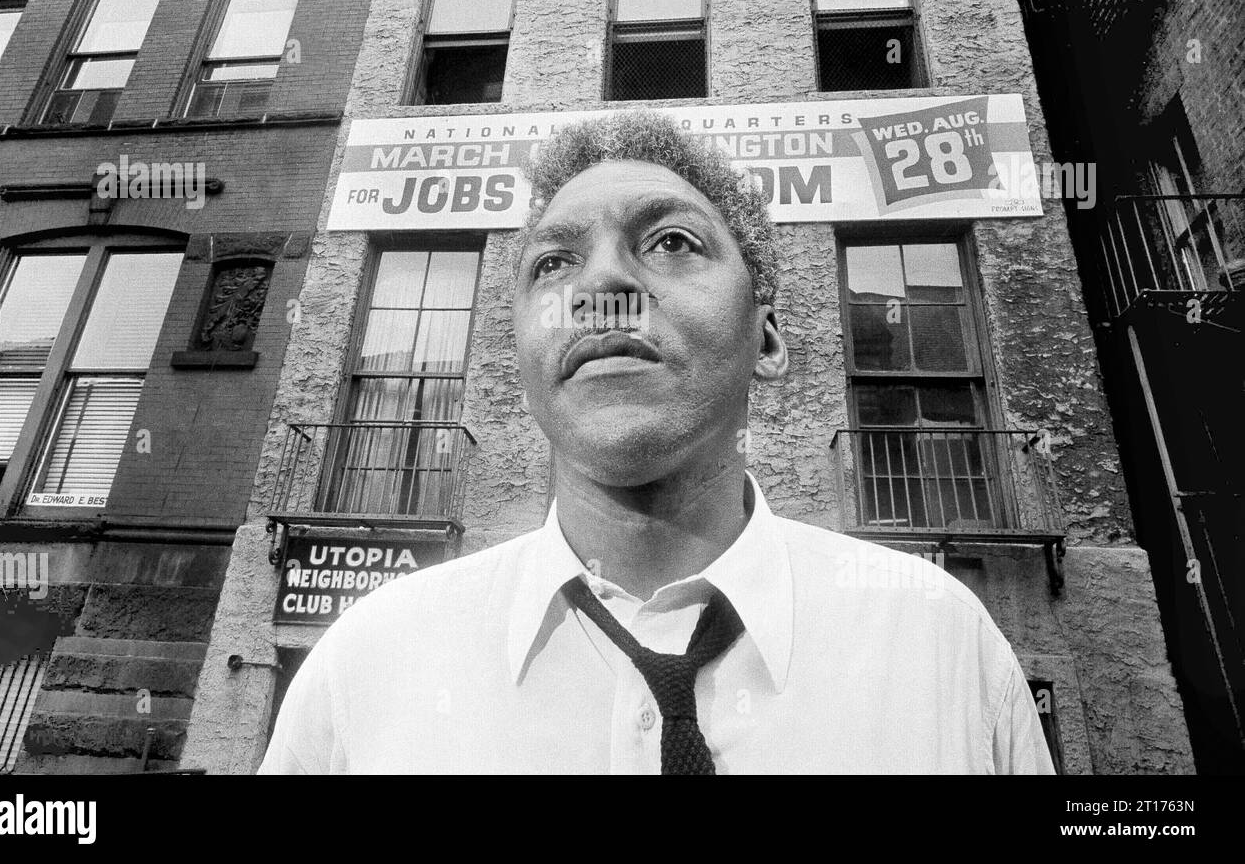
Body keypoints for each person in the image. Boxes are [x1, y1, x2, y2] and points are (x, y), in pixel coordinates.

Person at [259, 109, 1055, 775]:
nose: (599, 286)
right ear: (522, 361)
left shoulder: (944, 650)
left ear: (768, 338)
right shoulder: (362, 668)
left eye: (672, 242)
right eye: (554, 262)